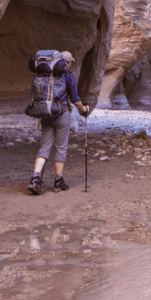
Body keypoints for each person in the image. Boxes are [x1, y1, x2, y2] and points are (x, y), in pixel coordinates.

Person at [29, 51, 91, 194]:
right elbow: (75, 100)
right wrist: (84, 109)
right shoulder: (68, 76)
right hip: (62, 114)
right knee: (61, 147)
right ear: (68, 63)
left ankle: (35, 179)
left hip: (45, 114)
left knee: (45, 146)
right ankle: (58, 181)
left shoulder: (43, 75)